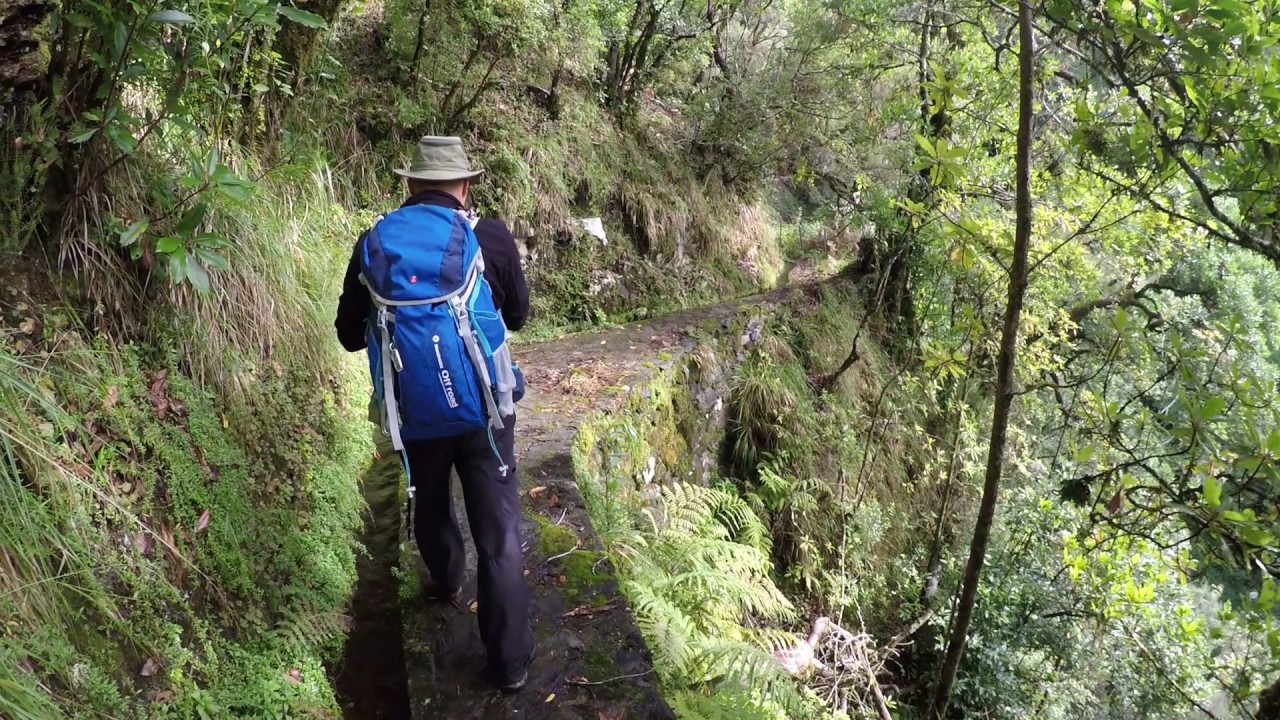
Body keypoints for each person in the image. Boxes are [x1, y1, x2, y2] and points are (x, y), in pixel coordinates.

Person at [334, 136, 535, 693]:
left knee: (429, 498)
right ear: (465, 185)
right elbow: (518, 316)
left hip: (415, 409)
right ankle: (510, 665)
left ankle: (447, 580)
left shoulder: (375, 242)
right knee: (499, 533)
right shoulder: (488, 235)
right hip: (486, 411)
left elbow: (349, 335)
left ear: (410, 185)